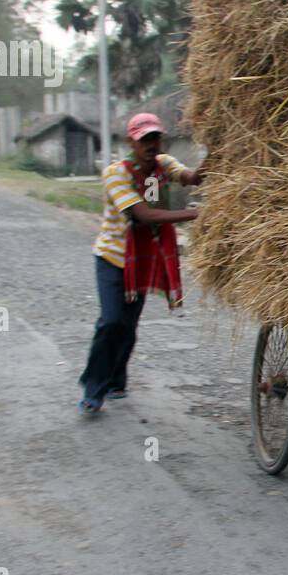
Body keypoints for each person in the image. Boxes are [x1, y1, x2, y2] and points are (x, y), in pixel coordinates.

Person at [78, 112, 205, 413]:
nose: (151, 144)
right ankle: (93, 388)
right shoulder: (116, 173)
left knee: (128, 325)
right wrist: (194, 215)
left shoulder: (163, 165)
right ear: (130, 142)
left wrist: (217, 151)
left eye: (155, 137)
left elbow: (193, 177)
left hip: (144, 258)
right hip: (113, 257)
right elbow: (143, 215)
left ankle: (116, 380)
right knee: (111, 322)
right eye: (144, 139)